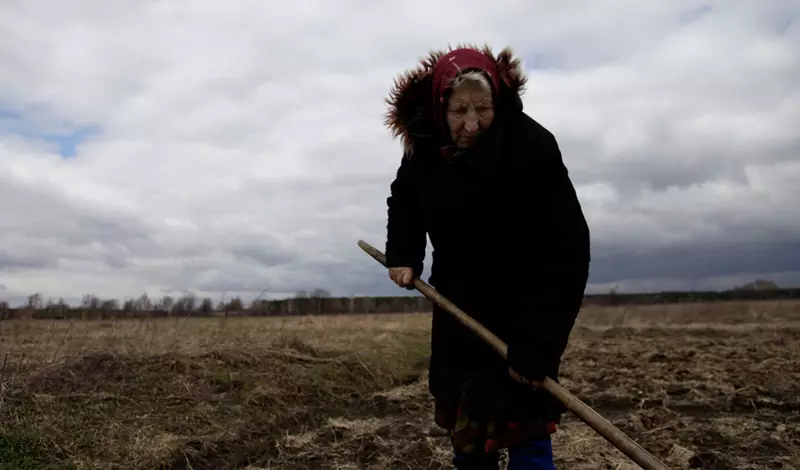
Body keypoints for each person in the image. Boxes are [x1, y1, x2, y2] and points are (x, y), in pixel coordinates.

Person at [382, 44, 591, 469]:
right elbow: (405, 198)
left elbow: (566, 250)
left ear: (497, 100)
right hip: (459, 310)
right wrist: (403, 254)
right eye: (460, 111)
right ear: (441, 105)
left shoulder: (531, 147)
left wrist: (538, 344)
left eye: (482, 109)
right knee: (470, 439)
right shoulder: (425, 146)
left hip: (522, 311)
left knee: (527, 433)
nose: (472, 124)